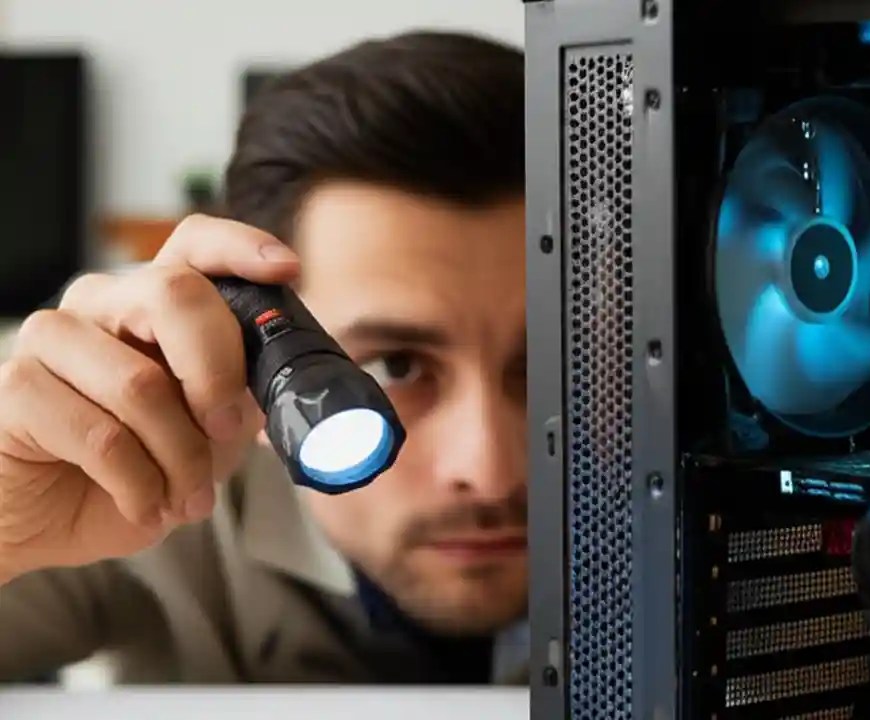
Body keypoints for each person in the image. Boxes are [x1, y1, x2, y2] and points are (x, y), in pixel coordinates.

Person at [0, 30, 529, 685]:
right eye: (395, 366)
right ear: (253, 350)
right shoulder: (143, 476)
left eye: (553, 365)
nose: (490, 472)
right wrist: (9, 528)